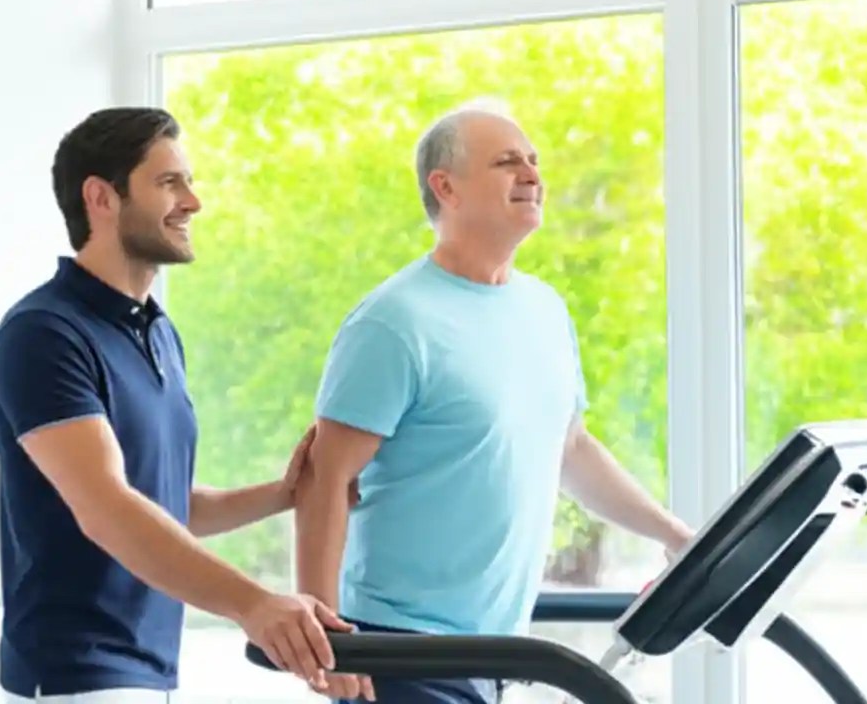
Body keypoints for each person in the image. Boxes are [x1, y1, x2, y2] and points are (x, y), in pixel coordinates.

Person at [293, 100, 696, 704]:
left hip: (495, 649)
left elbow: (569, 450)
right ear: (446, 187)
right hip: (399, 649)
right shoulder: (394, 321)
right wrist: (327, 642)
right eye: (508, 163)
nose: (532, 175)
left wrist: (674, 537)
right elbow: (325, 479)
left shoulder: (544, 309)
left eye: (533, 162)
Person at [0, 107, 349, 703]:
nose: (193, 202)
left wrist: (285, 493)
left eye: (189, 181)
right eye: (169, 182)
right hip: (78, 675)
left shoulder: (156, 332)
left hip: (146, 673)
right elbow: (108, 509)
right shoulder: (45, 333)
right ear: (101, 197)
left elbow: (166, 505)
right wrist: (255, 604)